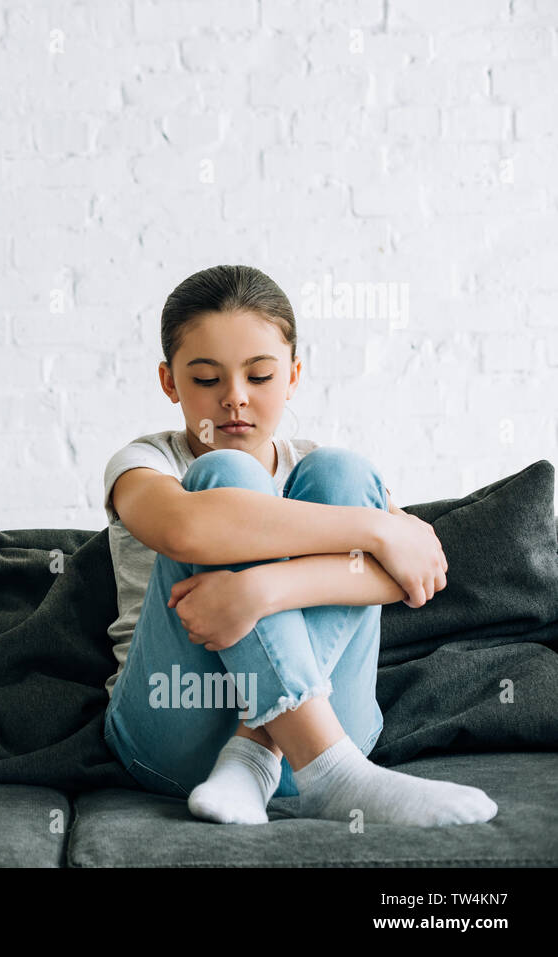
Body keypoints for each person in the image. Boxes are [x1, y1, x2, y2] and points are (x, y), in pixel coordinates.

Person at [101, 264, 498, 827]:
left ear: (293, 376)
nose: (234, 400)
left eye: (259, 377)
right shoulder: (146, 463)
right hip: (180, 721)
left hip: (335, 720)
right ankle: (328, 771)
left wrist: (259, 590)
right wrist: (375, 529)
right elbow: (190, 530)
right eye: (207, 380)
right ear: (169, 382)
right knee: (225, 475)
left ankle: (263, 757)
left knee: (343, 468)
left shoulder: (330, 475)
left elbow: (417, 570)